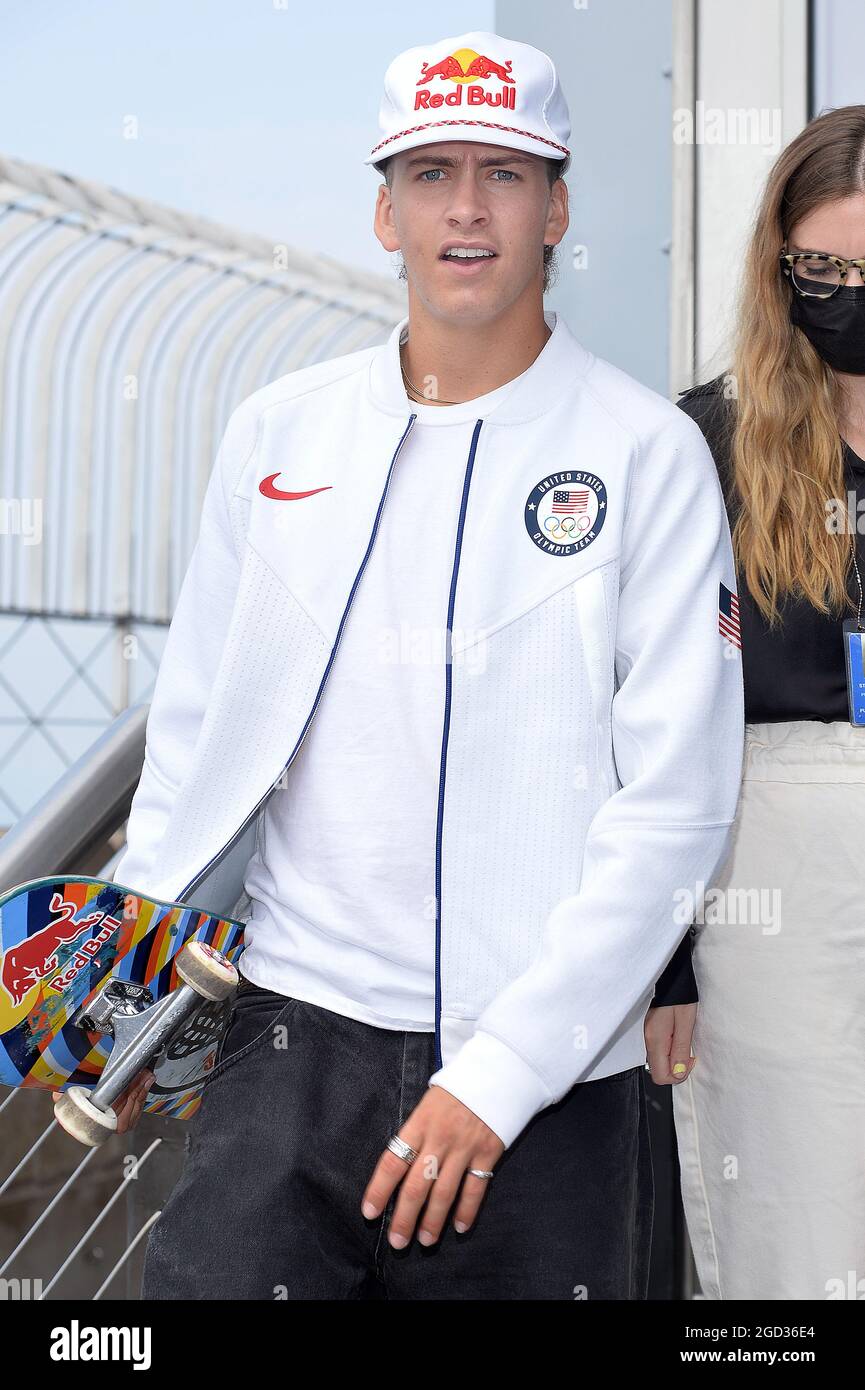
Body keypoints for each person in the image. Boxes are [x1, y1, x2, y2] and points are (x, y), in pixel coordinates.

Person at [109, 30, 743, 1300]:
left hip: (547, 1073)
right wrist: (121, 997)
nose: (467, 206)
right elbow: (193, 739)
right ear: (385, 209)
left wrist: (500, 1077)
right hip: (284, 1037)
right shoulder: (276, 433)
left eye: (504, 174)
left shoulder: (648, 453)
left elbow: (677, 807)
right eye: (432, 171)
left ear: (554, 206)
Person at [672, 104, 865, 1301]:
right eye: (824, 268)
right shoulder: (705, 442)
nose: (848, 292)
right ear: (777, 264)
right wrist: (661, 968)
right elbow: (645, 716)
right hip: (771, 852)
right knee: (800, 1230)